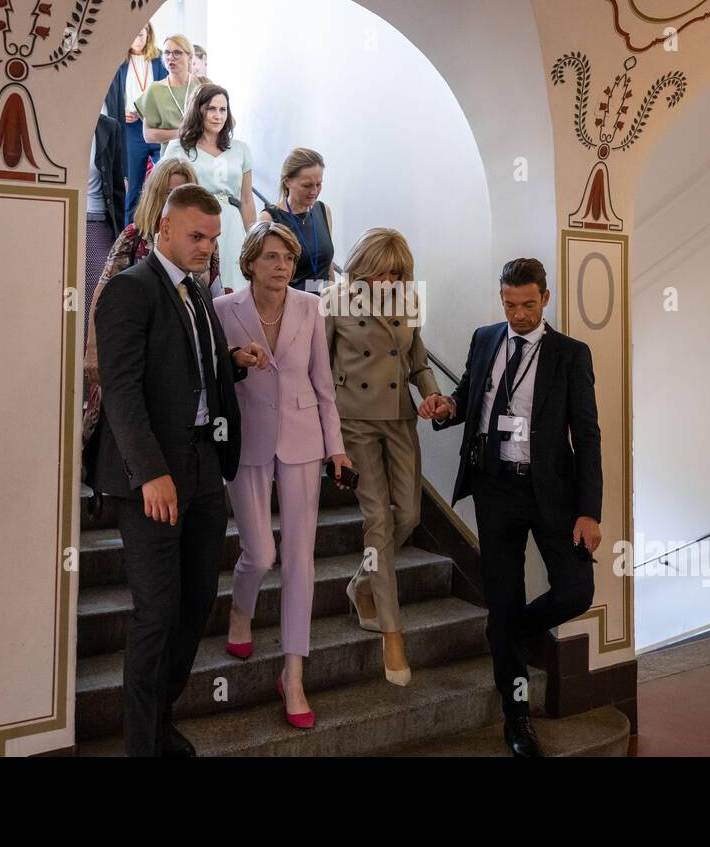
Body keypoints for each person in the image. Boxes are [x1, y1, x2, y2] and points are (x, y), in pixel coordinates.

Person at [89, 183, 267, 757]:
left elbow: (197, 373)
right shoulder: (128, 290)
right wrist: (149, 472)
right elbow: (120, 390)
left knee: (194, 609)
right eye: (196, 236)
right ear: (163, 229)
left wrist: (232, 365)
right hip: (152, 478)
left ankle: (162, 723)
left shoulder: (197, 292)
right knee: (156, 614)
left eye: (213, 240)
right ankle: (141, 745)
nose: (206, 248)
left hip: (201, 468)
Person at [426, 257, 602, 757]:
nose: (518, 314)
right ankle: (517, 717)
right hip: (494, 487)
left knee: (575, 590)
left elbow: (587, 438)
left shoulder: (571, 354)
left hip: (551, 493)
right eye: (509, 304)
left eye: (527, 305)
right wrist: (448, 408)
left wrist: (590, 511)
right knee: (502, 595)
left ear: (545, 298)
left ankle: (508, 631)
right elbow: (467, 396)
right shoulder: (486, 339)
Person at [213, 221, 352, 729]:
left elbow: (323, 382)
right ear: (250, 261)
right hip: (247, 438)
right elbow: (214, 376)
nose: (282, 266)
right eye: (271, 257)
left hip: (302, 439)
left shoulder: (311, 308)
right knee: (261, 553)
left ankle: (294, 674)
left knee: (299, 558)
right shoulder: (224, 309)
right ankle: (240, 611)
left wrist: (336, 447)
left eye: (289, 259)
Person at [320, 228, 450, 686]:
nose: (386, 280)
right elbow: (318, 366)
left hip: (400, 419)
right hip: (353, 421)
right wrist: (325, 435)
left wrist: (435, 397)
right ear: (361, 265)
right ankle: (392, 635)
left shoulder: (409, 301)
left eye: (395, 273)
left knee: (410, 515)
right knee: (378, 518)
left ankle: (360, 584)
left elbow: (418, 363)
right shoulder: (334, 299)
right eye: (379, 271)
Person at [82, 158, 222, 476]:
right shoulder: (134, 236)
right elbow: (102, 293)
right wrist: (92, 350)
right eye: (172, 191)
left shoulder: (207, 245)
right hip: (139, 354)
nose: (178, 197)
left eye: (186, 190)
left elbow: (215, 299)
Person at [158, 85, 255, 293]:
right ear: (198, 110)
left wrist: (254, 237)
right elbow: (163, 194)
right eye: (212, 109)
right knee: (198, 286)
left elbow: (247, 199)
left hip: (231, 224)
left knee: (235, 289)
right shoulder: (178, 148)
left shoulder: (240, 149)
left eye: (223, 110)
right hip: (194, 222)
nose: (218, 115)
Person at [109, 22, 168, 227]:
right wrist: (121, 111)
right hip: (131, 129)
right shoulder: (119, 61)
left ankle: (157, 231)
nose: (138, 39)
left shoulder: (160, 60)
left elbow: (166, 93)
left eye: (142, 34)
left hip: (156, 125)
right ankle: (128, 236)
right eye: (134, 34)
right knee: (133, 187)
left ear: (149, 35)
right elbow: (112, 95)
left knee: (164, 182)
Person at [260, 147, 335, 292]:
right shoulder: (269, 218)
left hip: (324, 303)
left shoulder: (323, 210)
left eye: (318, 184)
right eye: (307, 185)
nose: (314, 191)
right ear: (287, 181)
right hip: (290, 304)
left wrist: (336, 301)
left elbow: (327, 263)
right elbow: (261, 274)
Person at [85, 108, 126, 347]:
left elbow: (117, 187)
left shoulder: (108, 127)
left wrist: (119, 236)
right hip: (63, 218)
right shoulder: (57, 120)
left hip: (98, 222)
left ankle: (92, 371)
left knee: (96, 298)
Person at [135, 32, 209, 156]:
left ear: (190, 57)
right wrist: (183, 133)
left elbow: (228, 121)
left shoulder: (203, 85)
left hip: (203, 156)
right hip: (171, 161)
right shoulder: (155, 90)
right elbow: (148, 135)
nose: (171, 57)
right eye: (166, 53)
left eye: (177, 52)